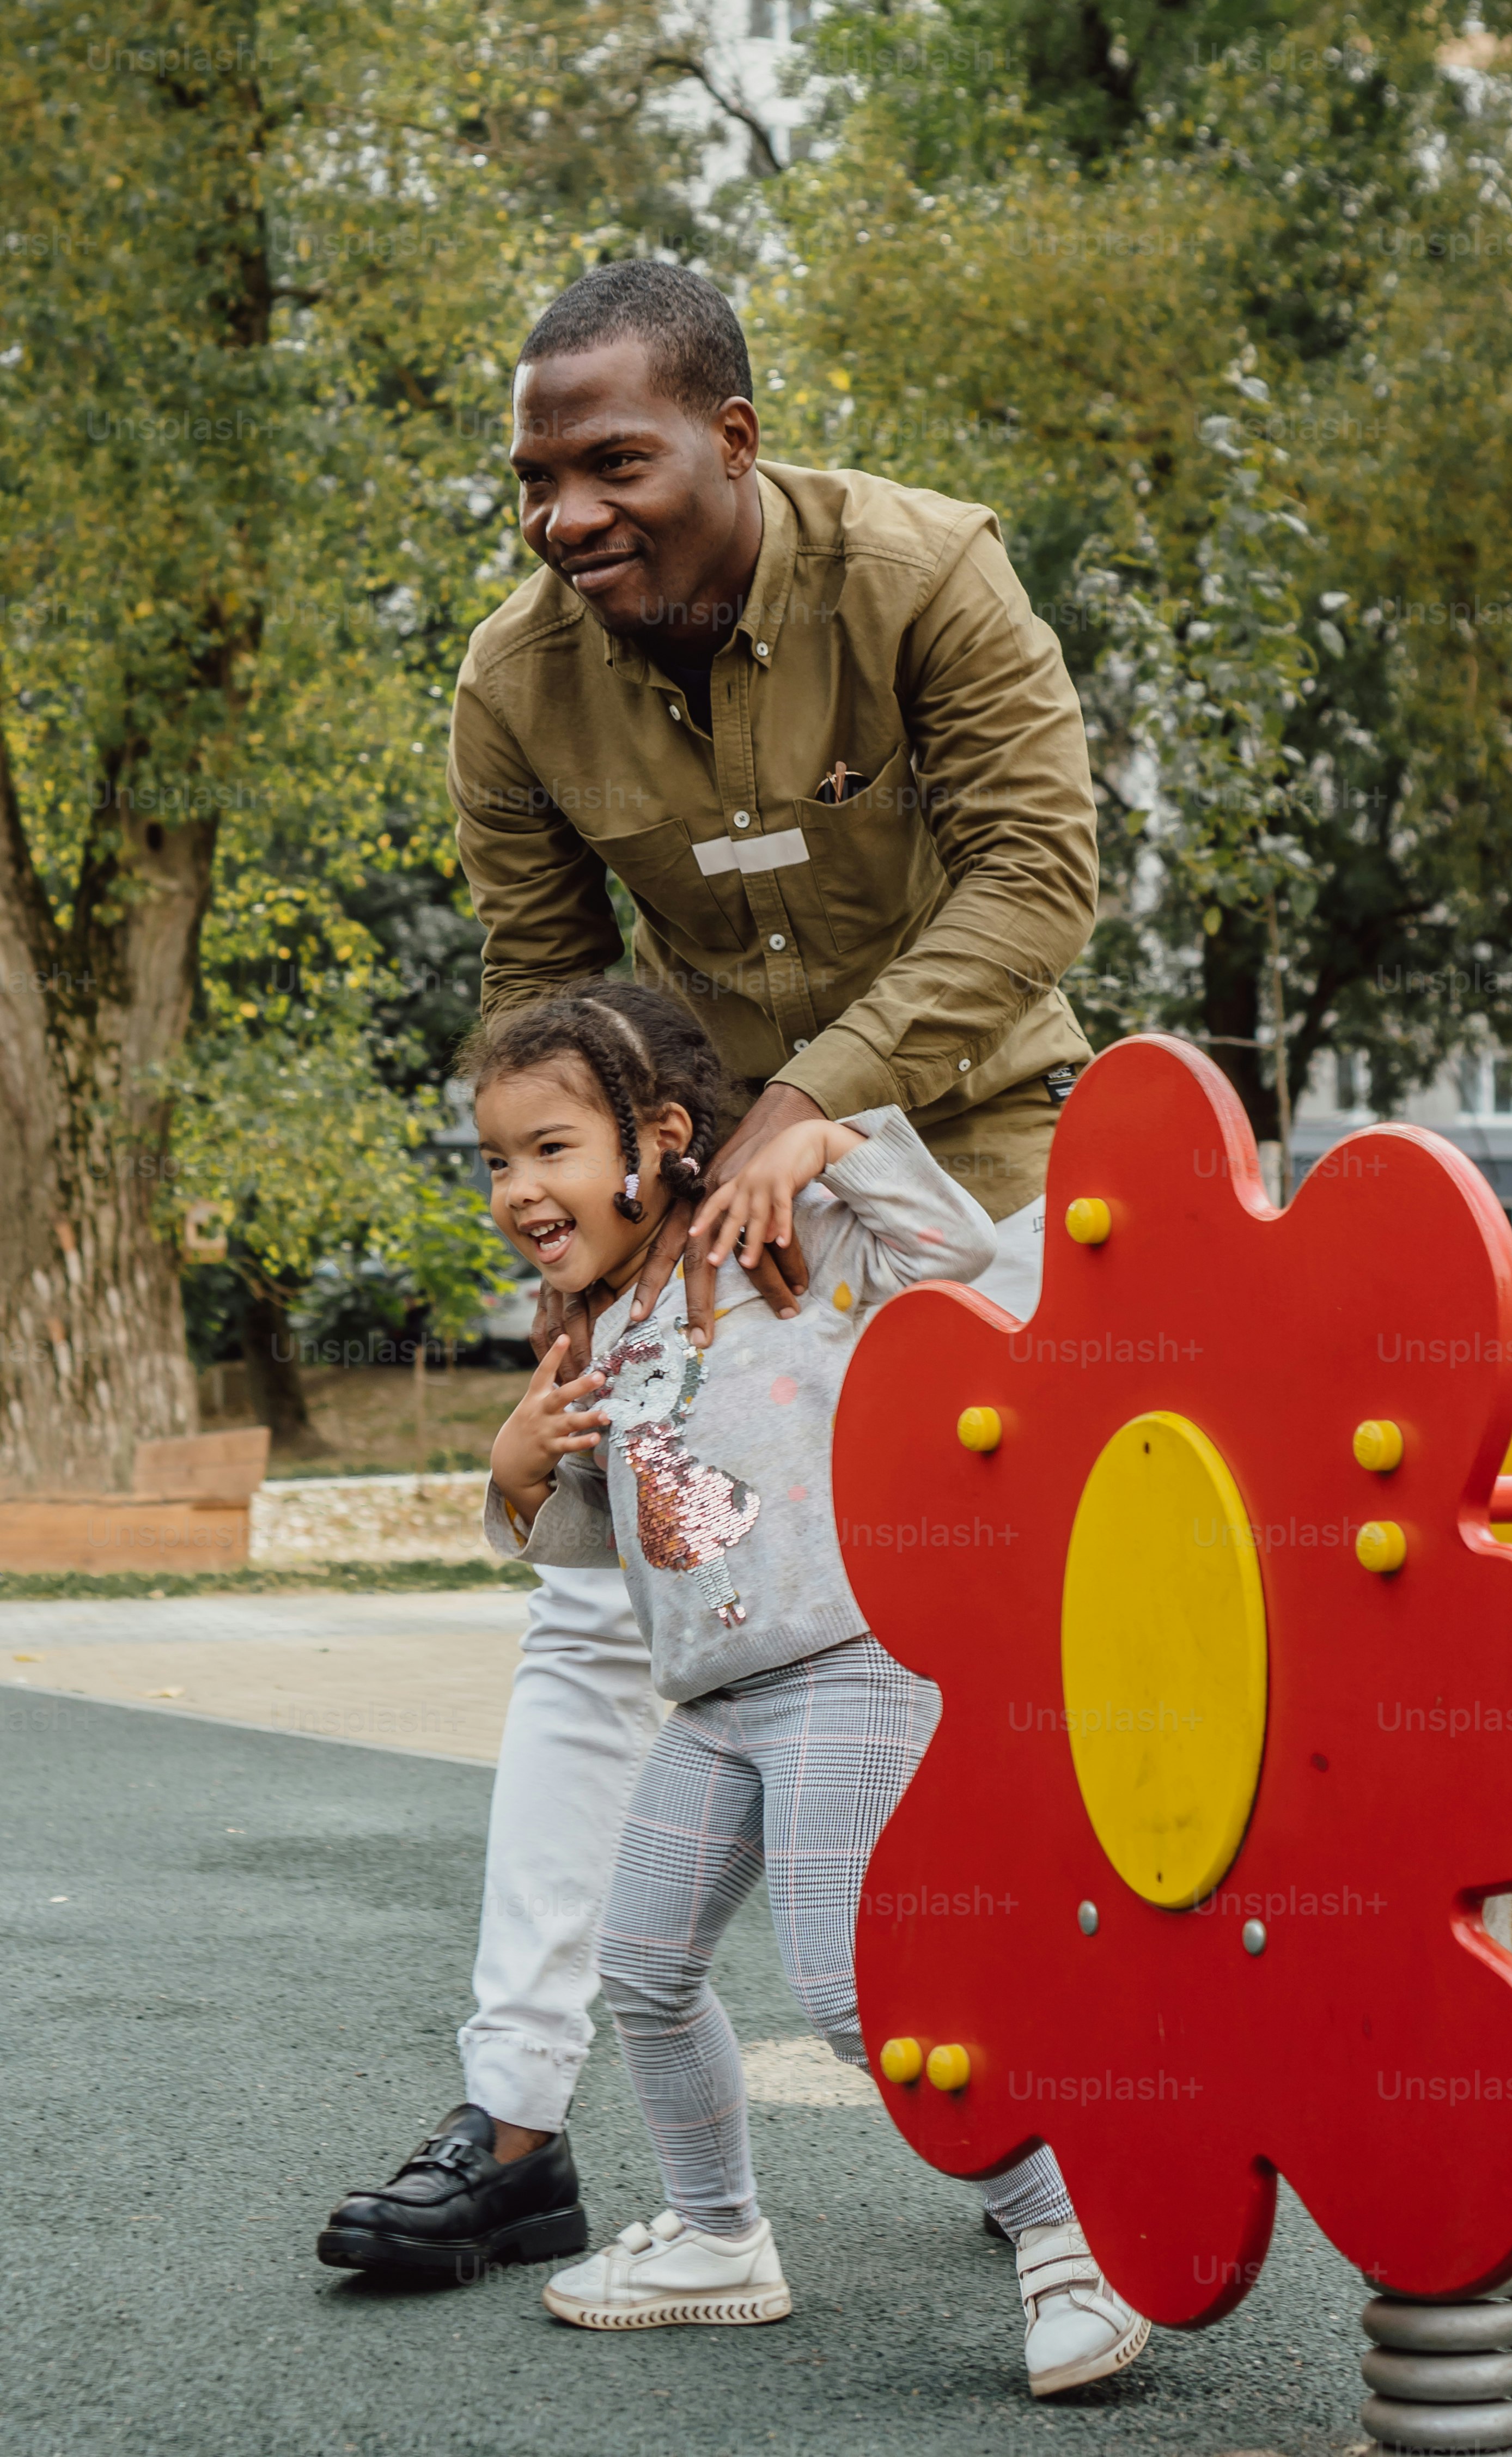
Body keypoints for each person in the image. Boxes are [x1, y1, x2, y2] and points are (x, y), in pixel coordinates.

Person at [318, 258, 1098, 2290]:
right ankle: (514, 2117)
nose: (566, 513)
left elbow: (1038, 876)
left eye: (612, 464)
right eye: (534, 476)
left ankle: (1080, 2074)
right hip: (698, 1193)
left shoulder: (926, 574)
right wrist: (591, 1254)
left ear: (731, 443)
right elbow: (542, 990)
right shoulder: (512, 678)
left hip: (968, 1144)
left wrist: (822, 1100)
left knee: (1037, 1613)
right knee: (596, 1610)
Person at [471, 978, 1150, 2394]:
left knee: (857, 1992)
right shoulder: (596, 1331)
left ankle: (1071, 2242)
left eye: (550, 1148)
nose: (519, 1187)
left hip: (850, 1664)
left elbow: (970, 1275)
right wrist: (519, 1469)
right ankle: (718, 2237)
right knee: (642, 1969)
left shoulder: (787, 1237)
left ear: (657, 1139)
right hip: (713, 1704)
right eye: (496, 1159)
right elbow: (611, 1544)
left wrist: (833, 1142)